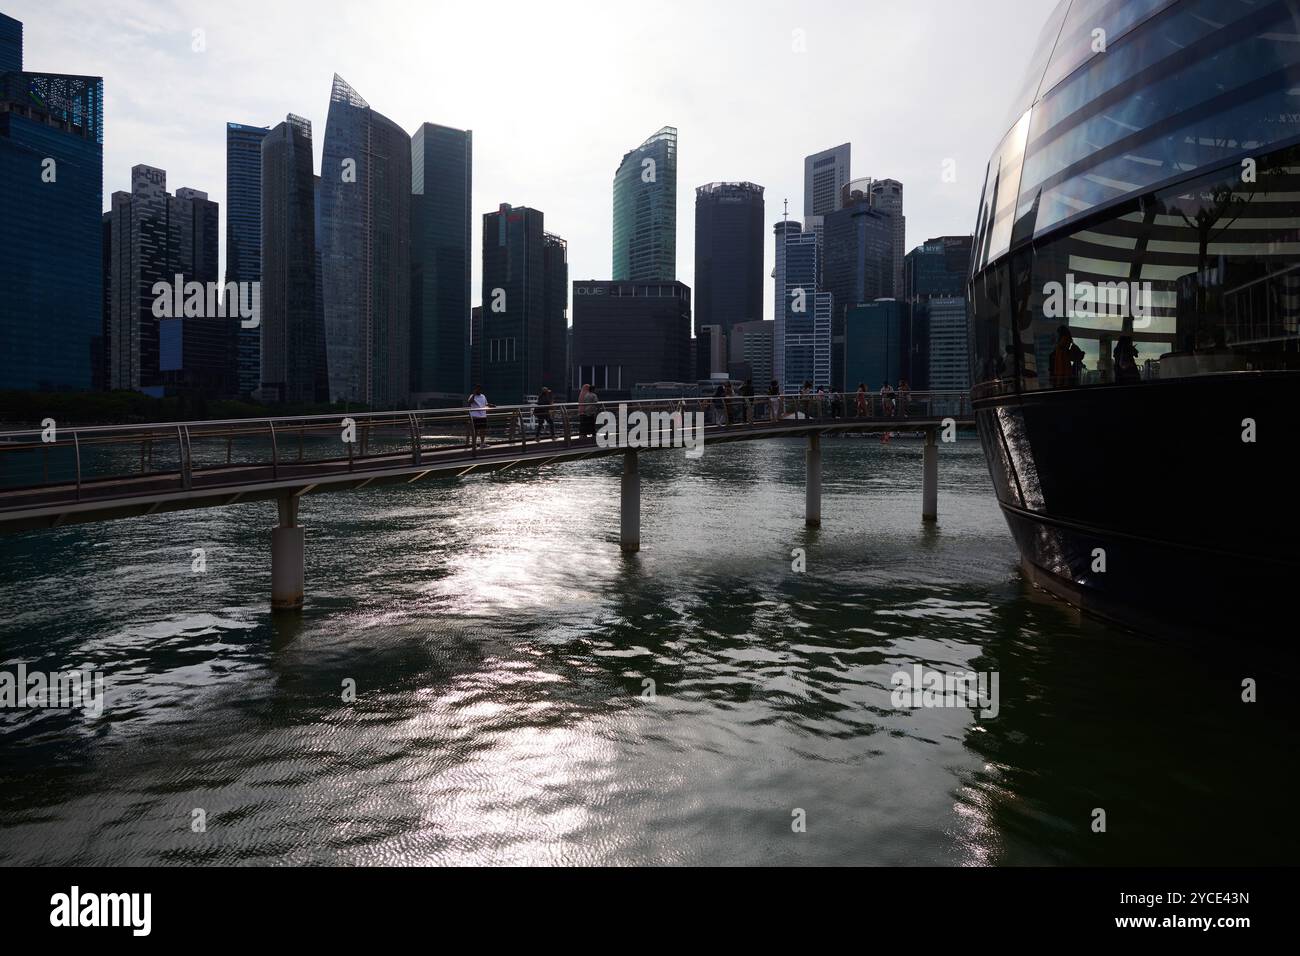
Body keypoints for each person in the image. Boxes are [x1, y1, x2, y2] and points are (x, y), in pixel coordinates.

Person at [467, 384, 493, 449]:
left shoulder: (483, 396)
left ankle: (482, 443)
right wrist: (474, 394)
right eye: (477, 389)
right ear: (475, 389)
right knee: (475, 431)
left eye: (479, 389)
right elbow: (469, 402)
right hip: (475, 416)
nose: (478, 390)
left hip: (483, 416)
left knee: (483, 430)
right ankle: (474, 444)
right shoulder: (472, 396)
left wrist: (490, 405)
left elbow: (486, 404)